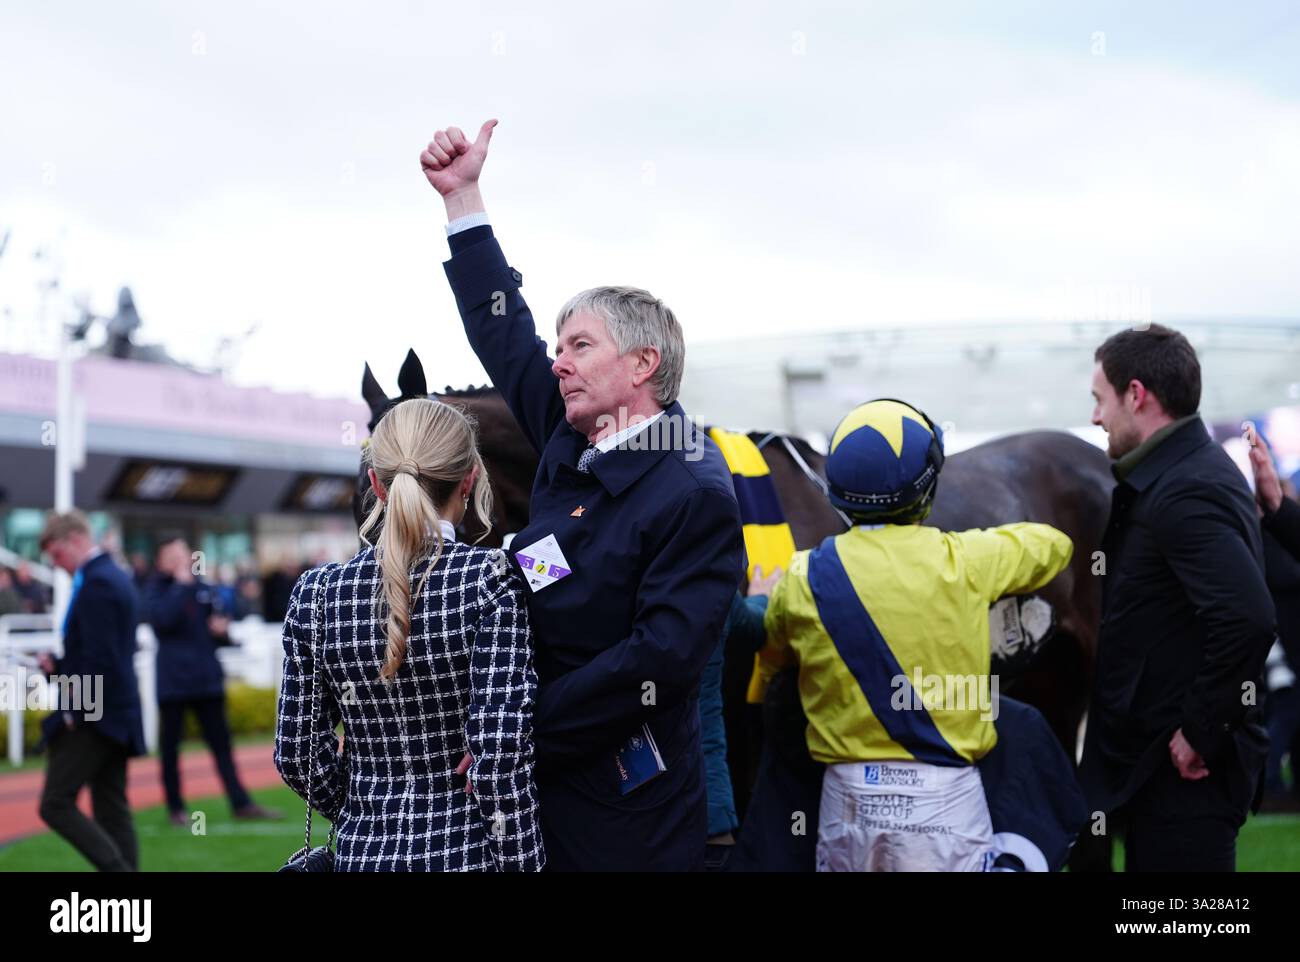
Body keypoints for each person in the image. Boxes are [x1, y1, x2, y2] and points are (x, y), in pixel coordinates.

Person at [421, 120, 744, 870]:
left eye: (580, 347)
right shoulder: (572, 437)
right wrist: (463, 199)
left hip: (626, 811)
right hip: (534, 789)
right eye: (559, 348)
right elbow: (503, 335)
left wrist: (519, 728)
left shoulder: (693, 488)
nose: (557, 364)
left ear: (643, 364)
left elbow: (654, 663)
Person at [758, 399, 1074, 871]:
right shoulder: (968, 560)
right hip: (945, 806)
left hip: (845, 807)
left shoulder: (801, 578)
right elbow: (1056, 545)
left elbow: (776, 650)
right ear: (925, 489)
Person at [275, 398, 543, 871]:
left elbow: (297, 752)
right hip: (467, 856)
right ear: (470, 479)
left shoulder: (316, 594)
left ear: (375, 483)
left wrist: (363, 811)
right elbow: (498, 755)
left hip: (363, 857)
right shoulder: (492, 580)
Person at [1080, 324, 1275, 872]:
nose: (1096, 417)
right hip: (1159, 768)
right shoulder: (1177, 474)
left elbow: (1248, 619)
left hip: (1187, 774)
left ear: (1136, 395)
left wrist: (1200, 731)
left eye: (1100, 399)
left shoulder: (1187, 487)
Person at [36, 511, 146, 872]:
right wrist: (62, 666)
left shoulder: (98, 582)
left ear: (75, 540)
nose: (57, 565)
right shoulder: (111, 575)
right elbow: (101, 653)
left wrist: (74, 711)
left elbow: (101, 658)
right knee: (111, 807)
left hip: (98, 713)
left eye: (56, 554)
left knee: (54, 803)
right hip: (114, 709)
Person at [142, 535, 278, 825]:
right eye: (175, 556)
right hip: (173, 683)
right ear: (162, 560)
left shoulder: (204, 588)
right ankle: (175, 808)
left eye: (184, 553)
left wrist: (222, 630)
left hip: (206, 679)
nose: (183, 560)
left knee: (222, 746)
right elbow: (162, 621)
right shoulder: (156, 589)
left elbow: (221, 626)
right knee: (170, 749)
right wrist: (180, 585)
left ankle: (240, 802)